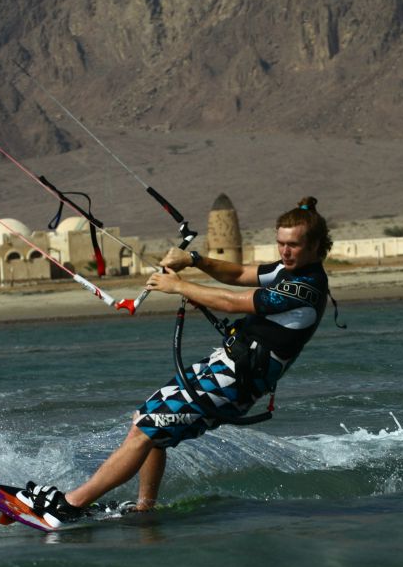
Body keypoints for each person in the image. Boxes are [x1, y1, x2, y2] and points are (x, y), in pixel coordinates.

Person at [19, 197, 335, 527]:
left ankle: (69, 505)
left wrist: (180, 286)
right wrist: (193, 259)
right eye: (281, 243)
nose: (285, 251)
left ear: (315, 246)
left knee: (147, 429)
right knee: (145, 421)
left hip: (235, 384)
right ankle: (145, 509)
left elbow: (232, 301)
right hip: (222, 368)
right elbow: (240, 273)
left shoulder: (304, 288)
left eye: (293, 245)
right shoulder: (287, 270)